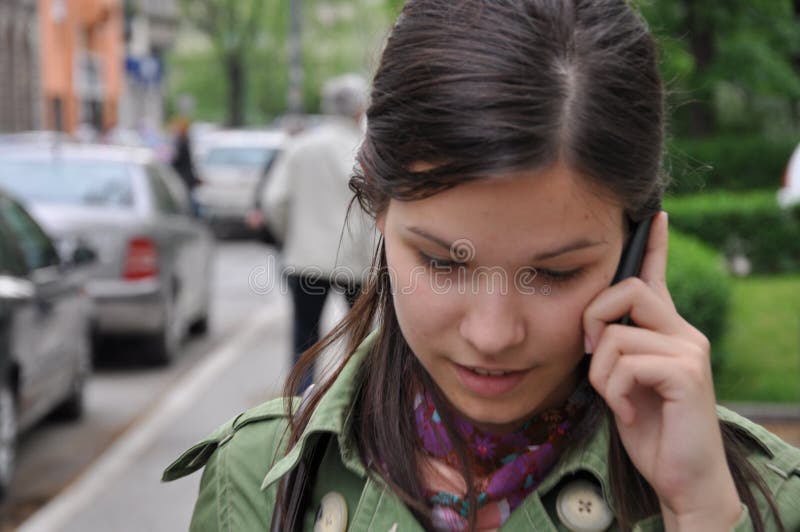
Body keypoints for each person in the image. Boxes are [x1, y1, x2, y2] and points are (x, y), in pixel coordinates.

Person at [163, 2, 800, 531]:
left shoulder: (757, 496)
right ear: (376, 213)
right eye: (442, 263)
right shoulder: (255, 482)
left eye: (552, 275)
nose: (493, 334)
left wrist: (701, 511)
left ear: (640, 249)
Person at [258, 74, 375, 394]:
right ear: (358, 109)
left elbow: (274, 200)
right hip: (356, 260)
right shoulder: (366, 150)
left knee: (304, 338)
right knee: (362, 340)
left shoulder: (300, 147)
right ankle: (355, 398)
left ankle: (299, 406)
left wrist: (290, 236)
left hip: (306, 257)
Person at [170, 118, 201, 217]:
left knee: (186, 199)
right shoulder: (185, 142)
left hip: (183, 177)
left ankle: (193, 215)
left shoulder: (182, 144)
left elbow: (177, 161)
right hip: (186, 176)